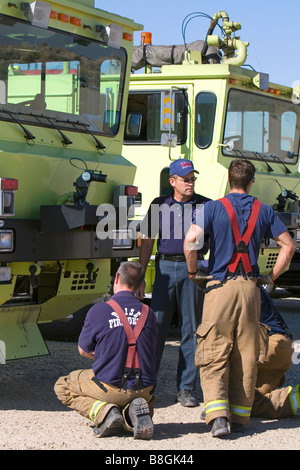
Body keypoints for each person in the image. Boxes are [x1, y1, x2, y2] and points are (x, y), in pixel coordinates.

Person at [184, 159, 296, 437]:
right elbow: (289, 246)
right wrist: (271, 277)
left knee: (214, 348)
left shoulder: (212, 207)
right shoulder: (264, 210)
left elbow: (190, 242)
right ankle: (239, 416)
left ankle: (217, 416)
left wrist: (193, 271)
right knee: (246, 353)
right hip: (250, 289)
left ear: (229, 181)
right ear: (251, 181)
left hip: (220, 286)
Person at [54, 261, 158, 440]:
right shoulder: (149, 313)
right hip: (145, 390)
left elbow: (83, 350)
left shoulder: (99, 310)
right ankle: (131, 415)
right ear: (142, 286)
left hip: (110, 387)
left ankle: (104, 412)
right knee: (135, 397)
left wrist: (104, 356)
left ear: (117, 278)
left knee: (63, 385)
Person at [138, 158, 210, 407]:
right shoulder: (159, 205)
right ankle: (147, 385)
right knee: (155, 327)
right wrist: (139, 274)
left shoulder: (206, 205)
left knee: (191, 329)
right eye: (185, 179)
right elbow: (147, 240)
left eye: (192, 179)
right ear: (173, 181)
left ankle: (187, 389)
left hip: (195, 269)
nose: (190, 183)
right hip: (165, 268)